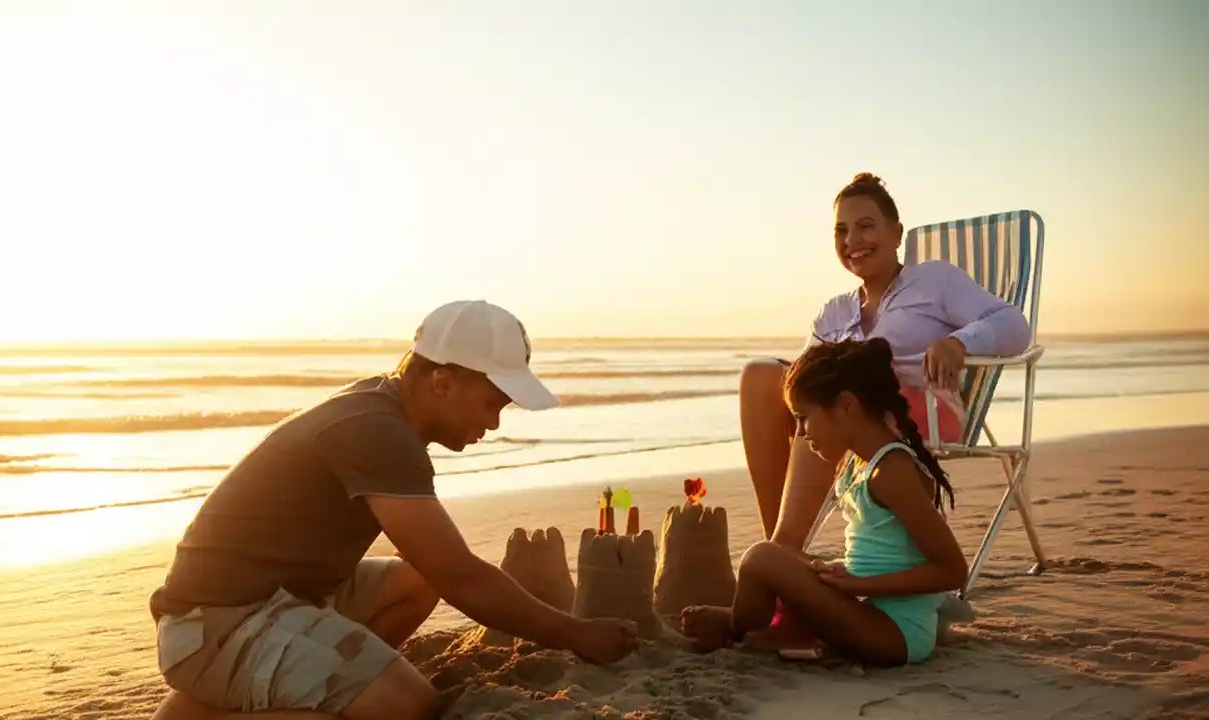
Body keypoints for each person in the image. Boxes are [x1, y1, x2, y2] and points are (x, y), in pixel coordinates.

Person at [148, 300, 638, 720]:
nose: (492, 422)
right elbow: (460, 577)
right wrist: (576, 634)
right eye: (492, 403)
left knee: (415, 581)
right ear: (442, 380)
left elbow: (439, 572)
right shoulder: (376, 433)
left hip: (284, 600)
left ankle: (288, 687)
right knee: (408, 708)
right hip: (220, 621)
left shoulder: (382, 407)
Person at [739, 173, 1032, 547]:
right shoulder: (834, 311)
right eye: (841, 231)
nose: (852, 241)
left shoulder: (934, 280)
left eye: (865, 226)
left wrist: (957, 343)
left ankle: (781, 554)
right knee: (760, 376)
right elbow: (800, 385)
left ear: (896, 233)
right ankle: (777, 549)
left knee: (828, 395)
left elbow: (1013, 324)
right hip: (848, 415)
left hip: (918, 414)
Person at [683, 338, 969, 665]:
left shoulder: (892, 472)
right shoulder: (859, 462)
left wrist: (863, 585)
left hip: (894, 633)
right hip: (867, 607)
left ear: (847, 406)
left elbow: (952, 571)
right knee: (783, 558)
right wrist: (842, 577)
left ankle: (735, 628)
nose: (801, 433)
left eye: (803, 417)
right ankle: (761, 626)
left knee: (760, 558)